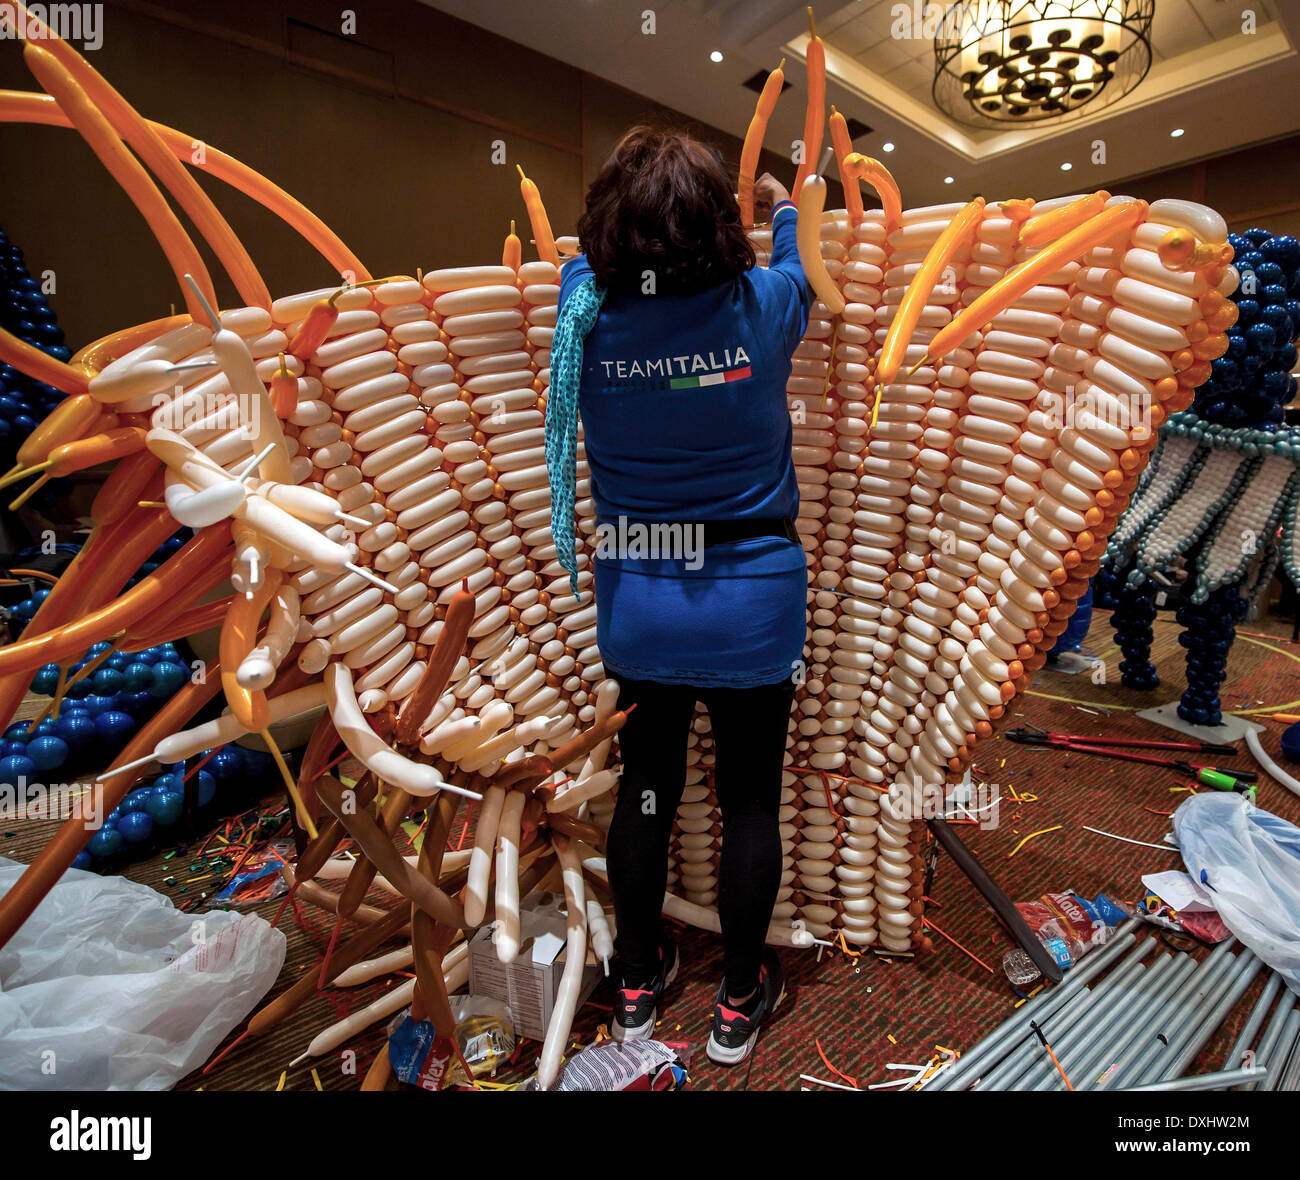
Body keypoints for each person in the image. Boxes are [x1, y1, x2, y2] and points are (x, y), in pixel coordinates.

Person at [546, 125, 812, 1065]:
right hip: (754, 600)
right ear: (716, 224)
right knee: (748, 802)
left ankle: (632, 985)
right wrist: (782, 207)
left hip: (641, 608)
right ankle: (738, 999)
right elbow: (801, 269)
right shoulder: (763, 309)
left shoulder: (588, 314)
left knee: (647, 793)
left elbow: (581, 269)